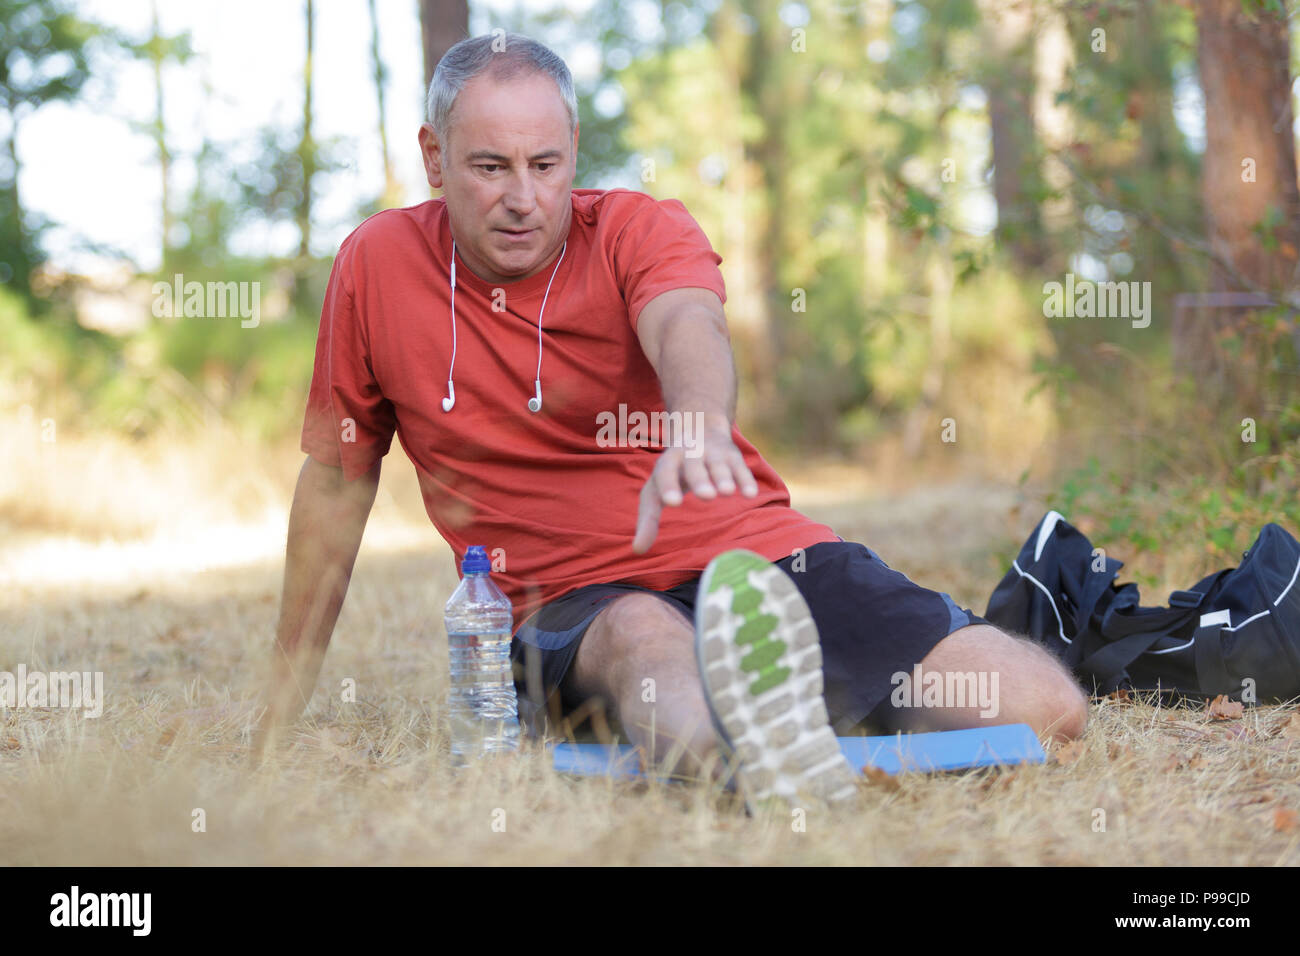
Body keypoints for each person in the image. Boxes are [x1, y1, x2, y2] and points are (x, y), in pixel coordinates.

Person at [256, 32, 1087, 800]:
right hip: (574, 602)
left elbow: (689, 320)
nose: (524, 197)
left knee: (1043, 710)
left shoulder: (633, 227)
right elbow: (336, 480)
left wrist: (696, 422)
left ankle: (787, 713)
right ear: (433, 159)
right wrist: (282, 706)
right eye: (490, 167)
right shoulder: (376, 264)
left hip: (754, 560)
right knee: (653, 648)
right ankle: (755, 746)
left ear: (573, 151)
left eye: (545, 164)